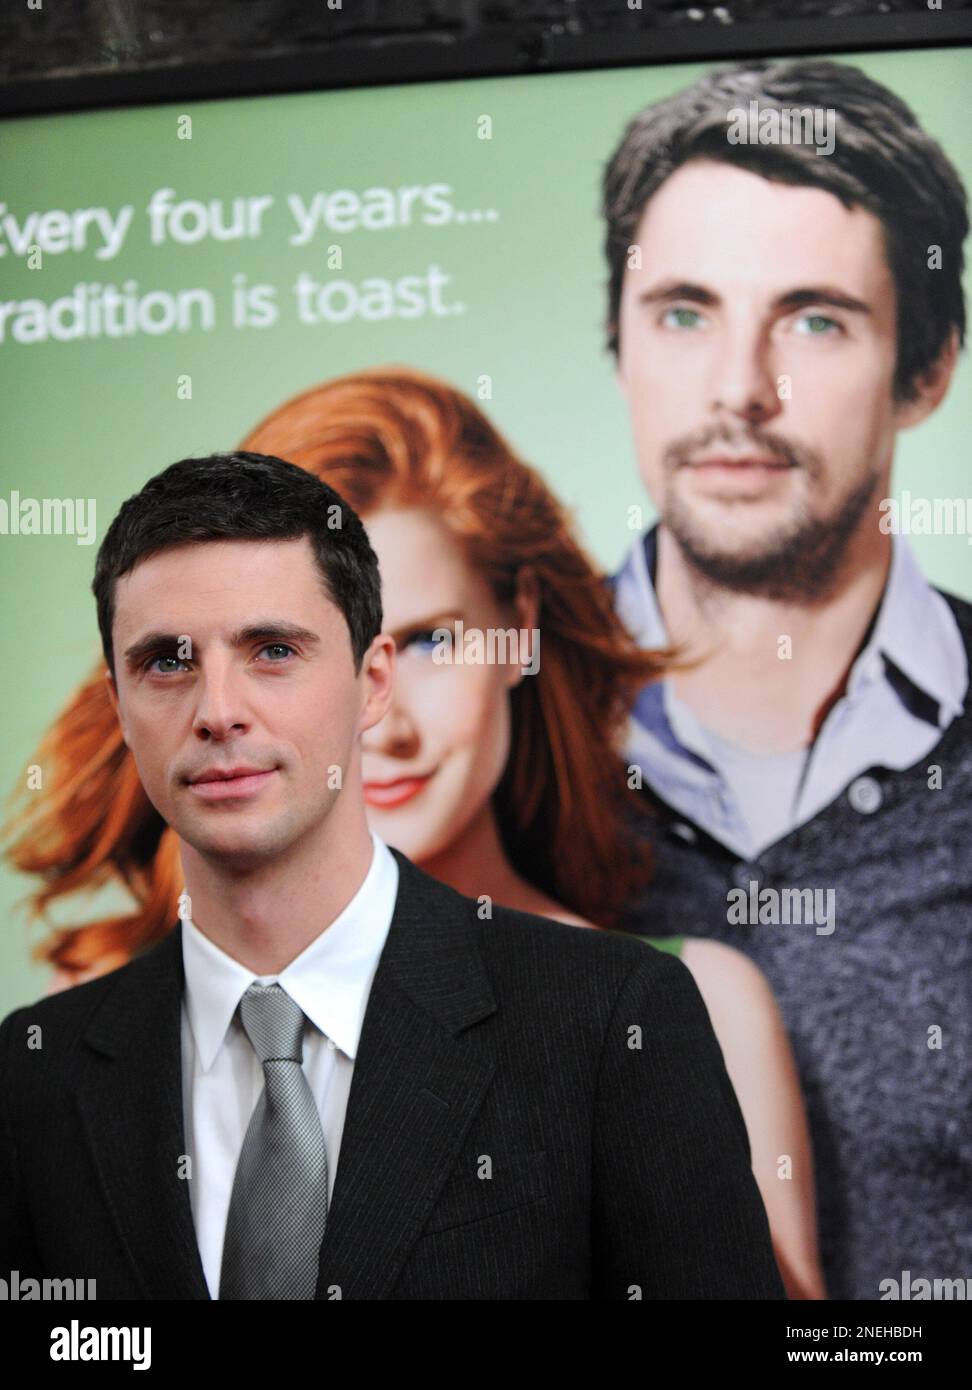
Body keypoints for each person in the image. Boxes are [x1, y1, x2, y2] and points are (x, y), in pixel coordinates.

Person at [4, 368, 825, 1296]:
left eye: (275, 650)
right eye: (168, 661)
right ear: (118, 702)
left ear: (371, 676)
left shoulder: (622, 1014)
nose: (219, 710)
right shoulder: (46, 1065)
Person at [602, 57, 972, 1300]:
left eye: (815, 318)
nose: (735, 391)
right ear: (618, 346)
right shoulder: (464, 750)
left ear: (927, 372)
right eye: (684, 312)